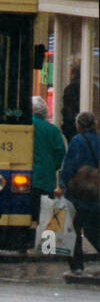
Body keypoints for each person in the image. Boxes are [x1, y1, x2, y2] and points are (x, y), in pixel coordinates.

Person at [57, 111, 100, 272]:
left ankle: (76, 265)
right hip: (96, 191)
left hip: (80, 192)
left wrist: (62, 185)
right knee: (92, 228)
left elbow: (69, 166)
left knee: (73, 228)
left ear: (79, 126)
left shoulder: (77, 140)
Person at [31, 95, 68, 231]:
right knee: (45, 214)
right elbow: (60, 153)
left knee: (29, 214)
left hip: (28, 177)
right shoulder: (52, 130)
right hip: (47, 178)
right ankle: (44, 244)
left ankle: (26, 242)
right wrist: (54, 167)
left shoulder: (26, 125)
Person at [60, 58, 81, 142]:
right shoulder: (92, 86)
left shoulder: (71, 88)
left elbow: (68, 112)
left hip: (73, 130)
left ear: (71, 71)